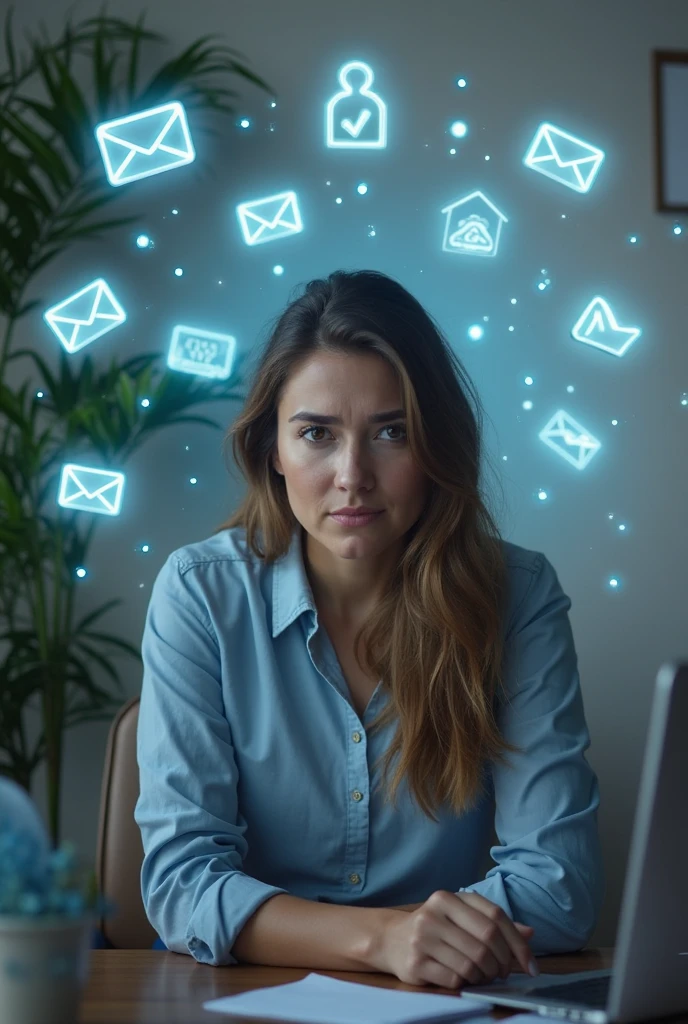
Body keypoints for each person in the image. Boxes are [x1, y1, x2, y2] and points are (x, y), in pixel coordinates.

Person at [135, 269, 604, 989]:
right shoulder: (200, 595)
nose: (352, 475)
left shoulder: (518, 596)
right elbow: (181, 887)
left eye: (392, 432)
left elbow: (561, 887)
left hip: (456, 999)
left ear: (437, 447)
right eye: (317, 434)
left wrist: (415, 941)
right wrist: (382, 939)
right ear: (273, 451)